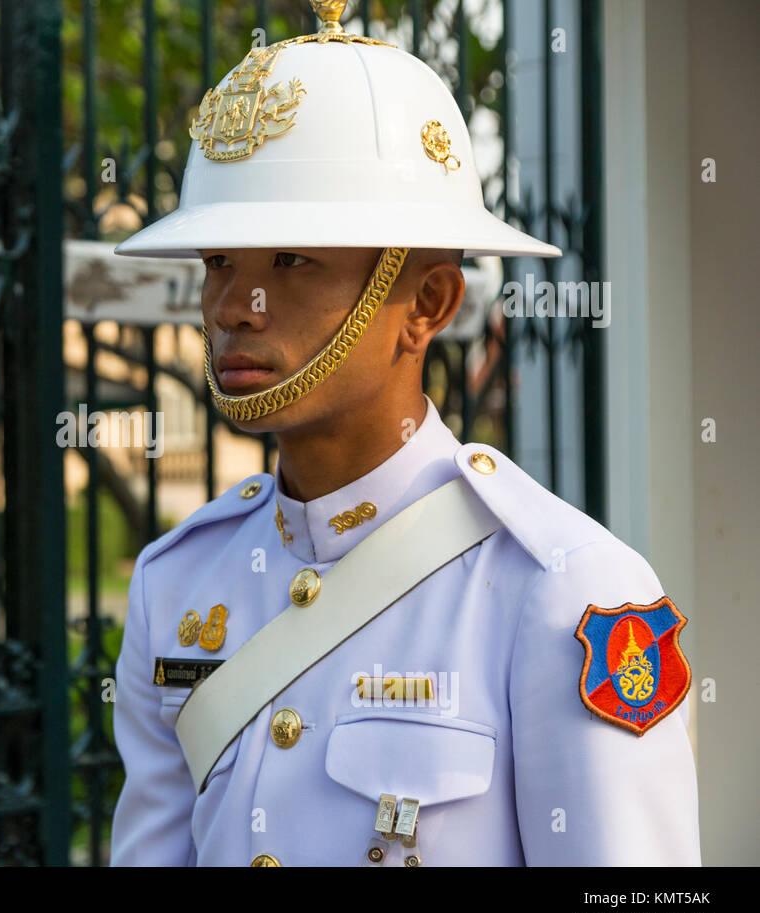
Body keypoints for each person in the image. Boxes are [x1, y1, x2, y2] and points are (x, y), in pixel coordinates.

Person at [107, 0, 699, 866]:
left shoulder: (565, 591)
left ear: (426, 305)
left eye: (291, 262)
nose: (235, 306)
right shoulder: (179, 582)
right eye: (219, 263)